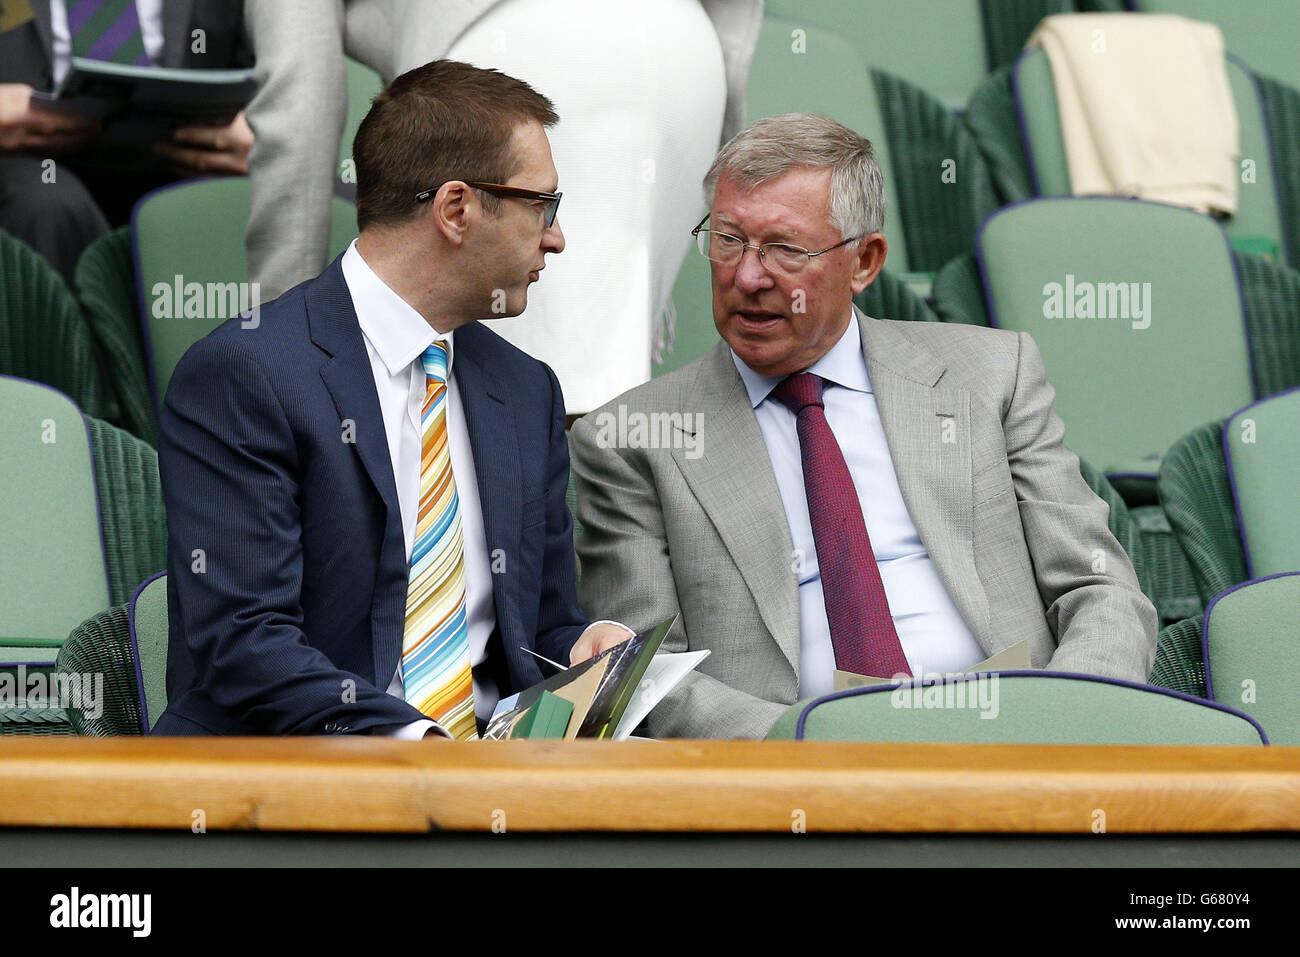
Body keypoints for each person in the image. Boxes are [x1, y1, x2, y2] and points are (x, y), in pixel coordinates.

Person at [568, 112, 1160, 740]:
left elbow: (1101, 589)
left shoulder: (989, 376)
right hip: (800, 772)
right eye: (727, 239)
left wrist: (1060, 727)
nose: (747, 276)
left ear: (864, 261)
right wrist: (821, 746)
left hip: (1016, 741)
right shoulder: (634, 438)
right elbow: (645, 675)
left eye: (785, 249)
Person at [154, 59, 629, 739]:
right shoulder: (244, 373)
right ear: (457, 209)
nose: (556, 236)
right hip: (288, 791)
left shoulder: (526, 390)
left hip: (500, 799)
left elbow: (541, 626)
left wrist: (584, 646)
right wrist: (422, 747)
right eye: (541, 205)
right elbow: (246, 644)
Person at [241, 0, 763, 412]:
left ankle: (556, 546)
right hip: (686, 56)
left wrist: (283, 347)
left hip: (525, 56)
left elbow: (299, 108)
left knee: (528, 403)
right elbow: (735, 36)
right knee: (596, 392)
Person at [0, 0, 253, 284]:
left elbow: (282, 63)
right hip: (31, 160)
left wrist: (268, 132)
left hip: (189, 152)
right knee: (45, 205)